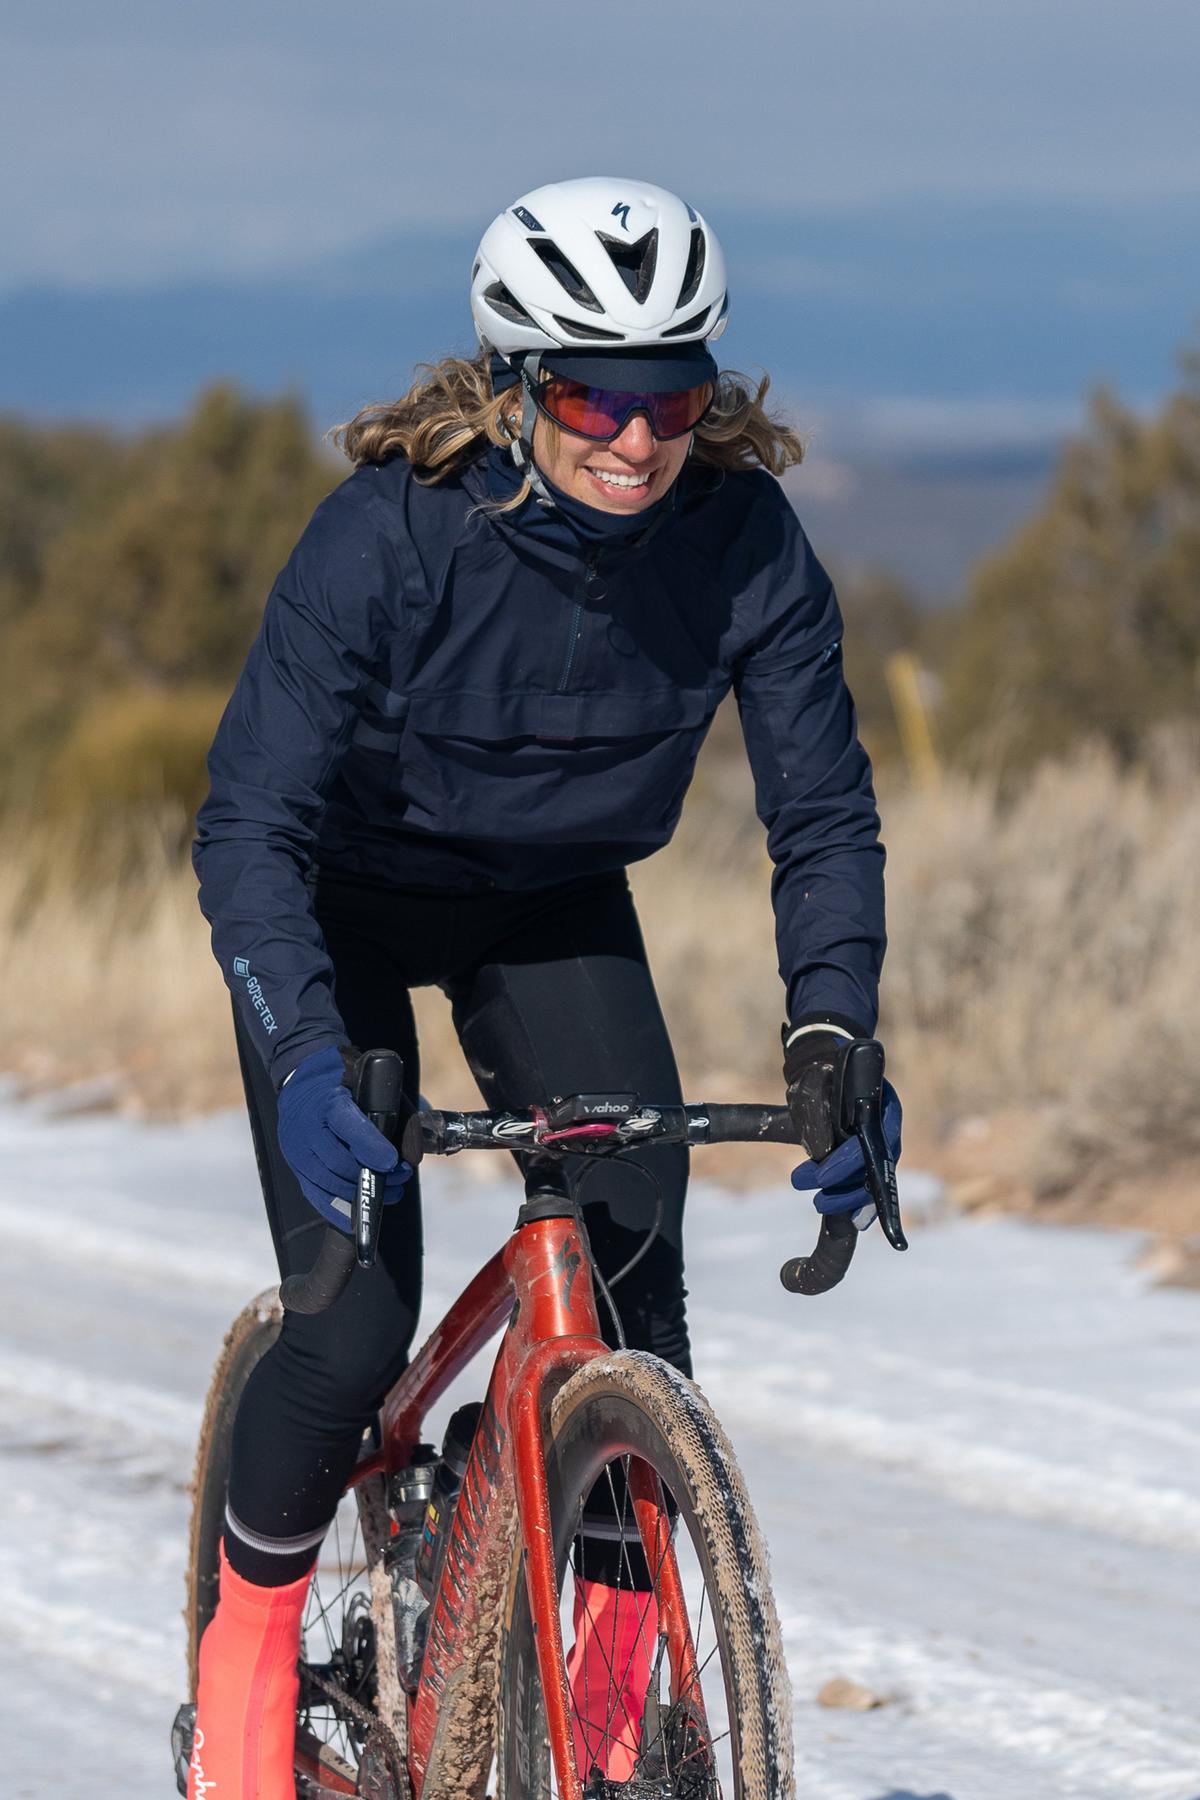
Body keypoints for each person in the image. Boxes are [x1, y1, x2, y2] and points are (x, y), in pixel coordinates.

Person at [188, 175, 898, 1798]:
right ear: (515, 383)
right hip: (341, 906)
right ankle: (244, 1655)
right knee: (356, 1317)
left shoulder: (742, 546)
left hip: (552, 903)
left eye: (672, 395)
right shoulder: (390, 533)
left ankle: (612, 1699)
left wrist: (835, 1030)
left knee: (636, 1276)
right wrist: (304, 1047)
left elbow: (825, 816)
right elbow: (249, 824)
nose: (635, 437)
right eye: (590, 391)